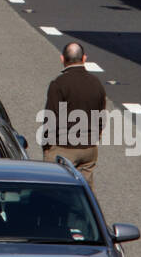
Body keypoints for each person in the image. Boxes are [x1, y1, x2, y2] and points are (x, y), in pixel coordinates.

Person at [41, 41, 106, 187]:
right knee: (84, 191)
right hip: (88, 149)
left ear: (62, 59)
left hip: (64, 147)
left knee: (55, 191)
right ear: (84, 58)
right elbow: (101, 118)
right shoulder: (96, 83)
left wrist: (47, 146)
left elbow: (51, 118)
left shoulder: (59, 84)